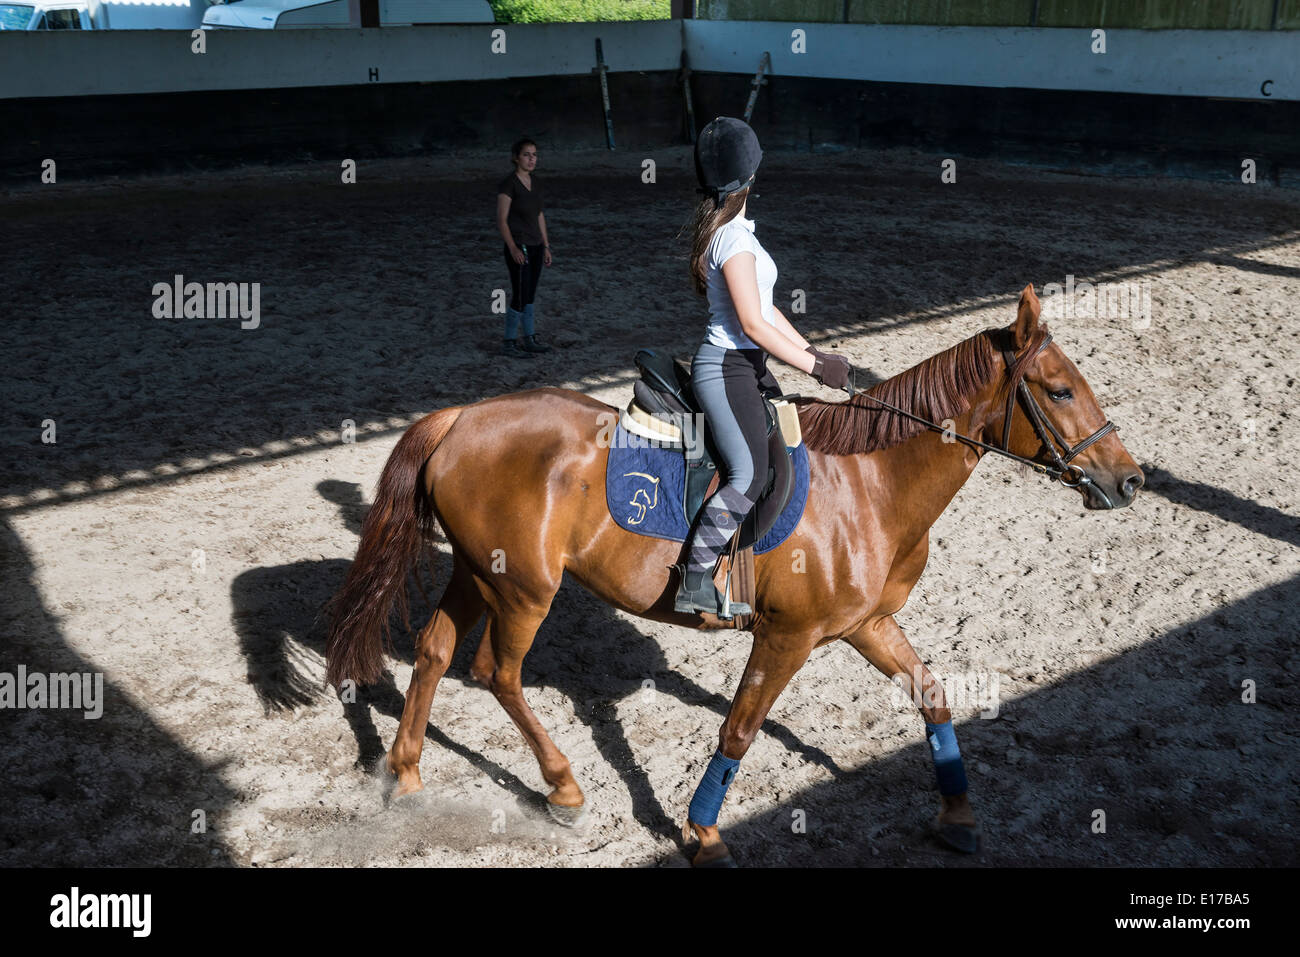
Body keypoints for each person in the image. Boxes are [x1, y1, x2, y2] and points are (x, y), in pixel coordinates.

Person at [674, 117, 851, 618]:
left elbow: (769, 310)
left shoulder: (735, 233)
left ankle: (748, 565)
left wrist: (817, 354)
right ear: (750, 175)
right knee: (749, 475)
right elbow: (752, 324)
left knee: (782, 467)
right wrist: (815, 371)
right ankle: (695, 577)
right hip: (727, 369)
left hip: (746, 369)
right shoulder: (732, 241)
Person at [495, 137, 552, 358]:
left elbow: (539, 215)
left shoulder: (536, 183)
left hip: (536, 245)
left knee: (529, 295)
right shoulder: (508, 184)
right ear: (516, 158)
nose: (531, 159)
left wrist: (546, 245)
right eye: (527, 154)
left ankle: (529, 338)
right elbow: (501, 220)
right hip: (520, 245)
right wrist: (513, 248)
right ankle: (508, 342)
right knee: (519, 294)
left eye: (534, 154)